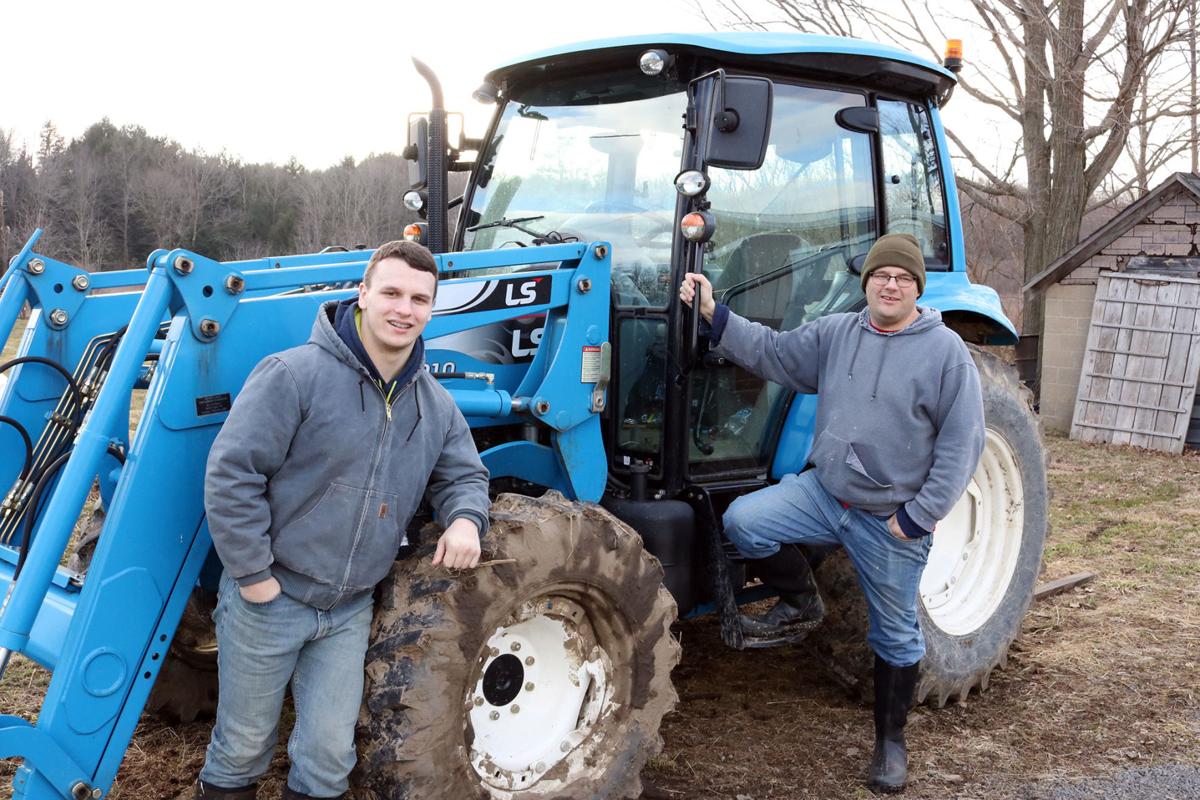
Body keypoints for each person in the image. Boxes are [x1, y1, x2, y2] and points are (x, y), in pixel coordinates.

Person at [679, 232, 984, 794]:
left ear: (916, 288)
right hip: (825, 495)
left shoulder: (945, 353)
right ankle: (800, 600)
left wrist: (918, 517)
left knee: (895, 637)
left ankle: (891, 743)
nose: (891, 285)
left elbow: (963, 445)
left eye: (903, 279)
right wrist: (713, 313)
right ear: (866, 282)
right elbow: (773, 352)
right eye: (881, 276)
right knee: (745, 521)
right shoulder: (839, 332)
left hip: (890, 517)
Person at [193, 240, 490, 800]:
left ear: (432, 308)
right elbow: (233, 474)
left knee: (329, 759)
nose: (405, 310)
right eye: (392, 293)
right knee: (242, 747)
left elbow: (465, 476)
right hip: (272, 598)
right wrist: (255, 577)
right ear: (363, 294)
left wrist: (466, 521)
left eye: (420, 299)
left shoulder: (435, 403)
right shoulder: (293, 374)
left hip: (349, 609)